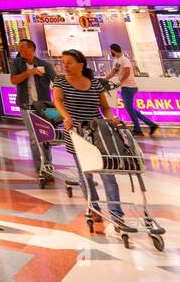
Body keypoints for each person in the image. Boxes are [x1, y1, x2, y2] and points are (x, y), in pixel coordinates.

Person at [53, 48, 135, 233]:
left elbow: (105, 108)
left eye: (69, 62)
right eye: (63, 62)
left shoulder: (95, 83)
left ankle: (116, 213)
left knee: (107, 172)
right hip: (75, 132)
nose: (65, 65)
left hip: (98, 132)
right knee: (85, 174)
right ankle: (94, 206)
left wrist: (110, 118)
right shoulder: (60, 81)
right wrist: (66, 117)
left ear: (81, 64)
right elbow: (57, 101)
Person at [106, 43, 158, 137]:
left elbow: (127, 72)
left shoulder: (124, 60)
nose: (111, 52)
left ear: (113, 50)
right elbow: (113, 72)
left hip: (129, 87)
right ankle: (151, 125)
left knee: (129, 108)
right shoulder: (117, 61)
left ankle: (138, 129)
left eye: (111, 50)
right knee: (130, 109)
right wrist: (105, 79)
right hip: (125, 87)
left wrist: (120, 82)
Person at [9, 38, 53, 111]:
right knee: (27, 122)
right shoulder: (17, 63)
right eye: (19, 47)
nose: (19, 50)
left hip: (43, 104)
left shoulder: (45, 65)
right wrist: (29, 72)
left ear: (31, 49)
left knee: (42, 122)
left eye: (22, 47)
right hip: (24, 104)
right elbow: (13, 81)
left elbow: (56, 81)